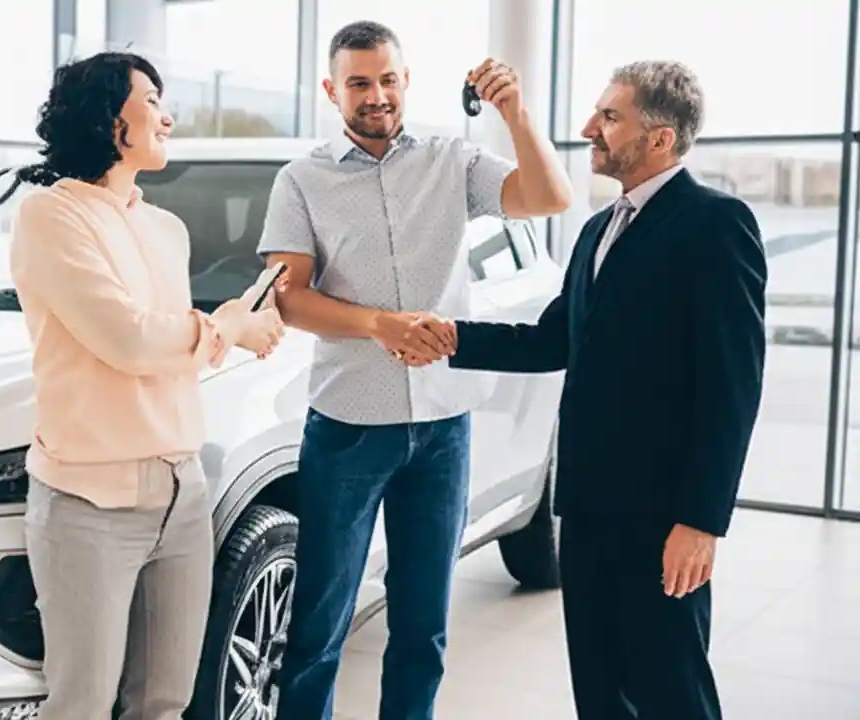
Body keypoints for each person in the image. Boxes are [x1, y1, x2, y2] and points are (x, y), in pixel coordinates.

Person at [258, 20, 572, 720]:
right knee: (319, 623)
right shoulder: (301, 179)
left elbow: (548, 198)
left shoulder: (451, 161)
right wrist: (379, 325)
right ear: (331, 89)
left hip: (442, 428)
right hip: (348, 426)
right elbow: (290, 296)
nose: (378, 96)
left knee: (423, 626)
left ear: (406, 81)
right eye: (361, 83)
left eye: (389, 79)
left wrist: (516, 114)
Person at [440, 60, 766, 719]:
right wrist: (449, 337)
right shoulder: (597, 229)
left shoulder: (716, 224)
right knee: (600, 689)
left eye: (609, 117)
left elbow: (733, 386)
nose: (589, 128)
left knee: (671, 691)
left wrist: (701, 522)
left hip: (659, 518)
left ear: (660, 139)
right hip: (585, 512)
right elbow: (553, 341)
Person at [9, 51, 287, 720]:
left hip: (182, 494)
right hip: (86, 504)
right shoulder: (52, 215)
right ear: (110, 119)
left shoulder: (166, 229)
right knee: (79, 704)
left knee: (165, 702)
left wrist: (229, 328)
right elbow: (129, 339)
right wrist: (225, 331)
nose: (168, 114)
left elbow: (167, 349)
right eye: (152, 99)